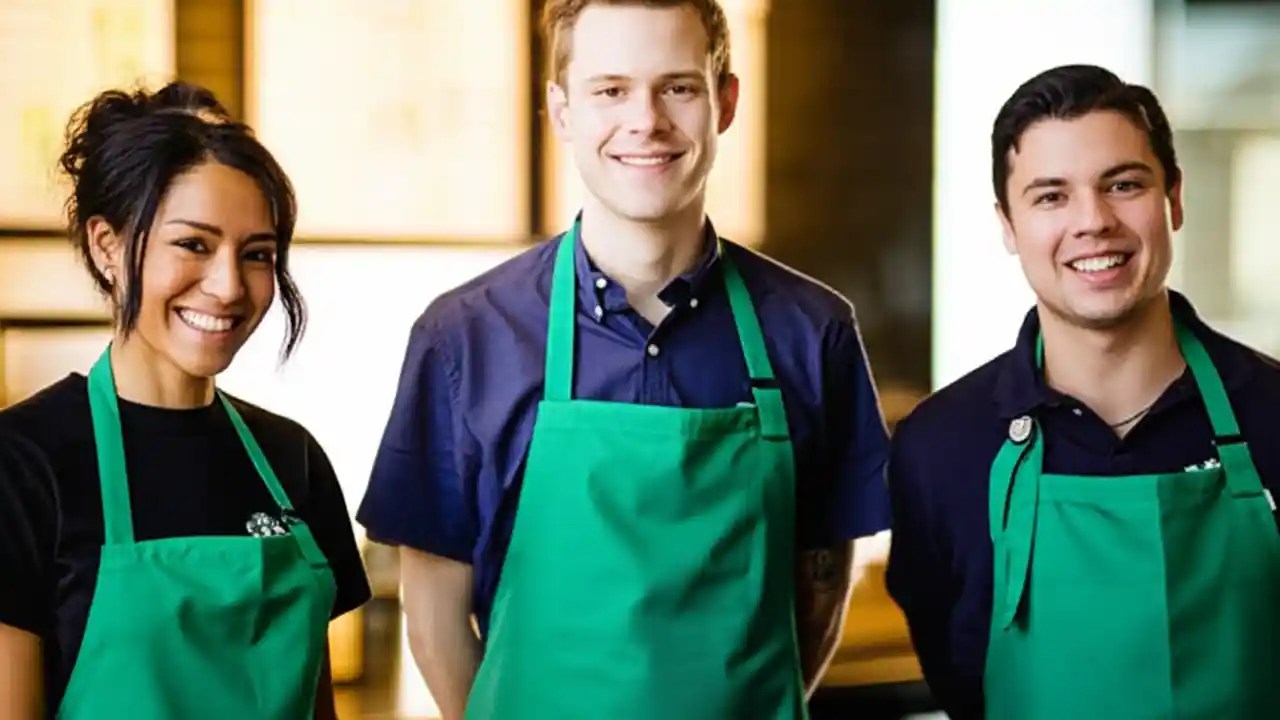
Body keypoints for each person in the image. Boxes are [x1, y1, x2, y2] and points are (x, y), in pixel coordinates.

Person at [355, 1, 891, 717]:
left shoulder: (812, 332)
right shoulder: (464, 338)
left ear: (725, 100)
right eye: (610, 89)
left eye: (678, 86)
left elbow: (820, 585)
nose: (646, 120)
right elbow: (436, 618)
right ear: (562, 109)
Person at [885, 63, 1280, 719]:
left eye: (1123, 185)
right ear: (1008, 226)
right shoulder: (938, 449)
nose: (1093, 221)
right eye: (1050, 196)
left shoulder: (1273, 415)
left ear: (1174, 200)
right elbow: (958, 682)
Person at [0, 82, 371, 719]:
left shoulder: (292, 460)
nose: (228, 286)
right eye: (193, 245)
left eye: (256, 254)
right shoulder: (23, 464)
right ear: (107, 246)